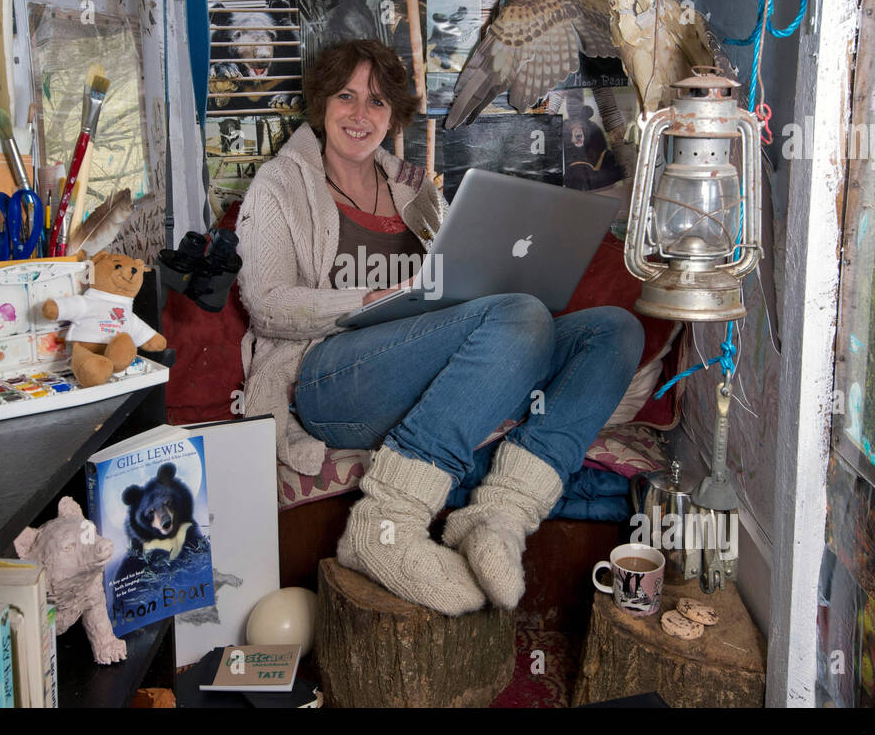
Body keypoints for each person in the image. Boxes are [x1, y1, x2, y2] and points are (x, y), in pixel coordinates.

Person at [237, 38, 643, 616]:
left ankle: (499, 513)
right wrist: (373, 297)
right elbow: (267, 304)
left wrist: (486, 281)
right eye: (346, 96)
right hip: (326, 378)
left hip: (416, 364)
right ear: (321, 103)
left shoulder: (412, 186)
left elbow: (456, 278)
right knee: (522, 316)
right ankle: (385, 525)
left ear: (393, 114)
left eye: (376, 102)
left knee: (613, 330)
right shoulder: (279, 186)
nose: (360, 115)